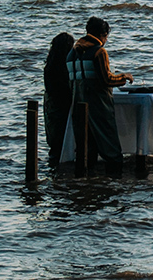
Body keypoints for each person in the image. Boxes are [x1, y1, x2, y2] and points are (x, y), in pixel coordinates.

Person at [66, 16, 132, 167]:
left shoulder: (71, 54)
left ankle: (87, 177)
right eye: (106, 36)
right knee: (110, 147)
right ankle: (114, 177)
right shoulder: (99, 52)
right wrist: (124, 77)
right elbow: (106, 80)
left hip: (78, 105)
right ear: (103, 35)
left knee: (86, 148)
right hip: (99, 105)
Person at [41, 31, 76, 173]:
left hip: (51, 103)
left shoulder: (50, 66)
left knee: (54, 137)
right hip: (63, 103)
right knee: (64, 136)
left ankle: (55, 168)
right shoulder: (68, 66)